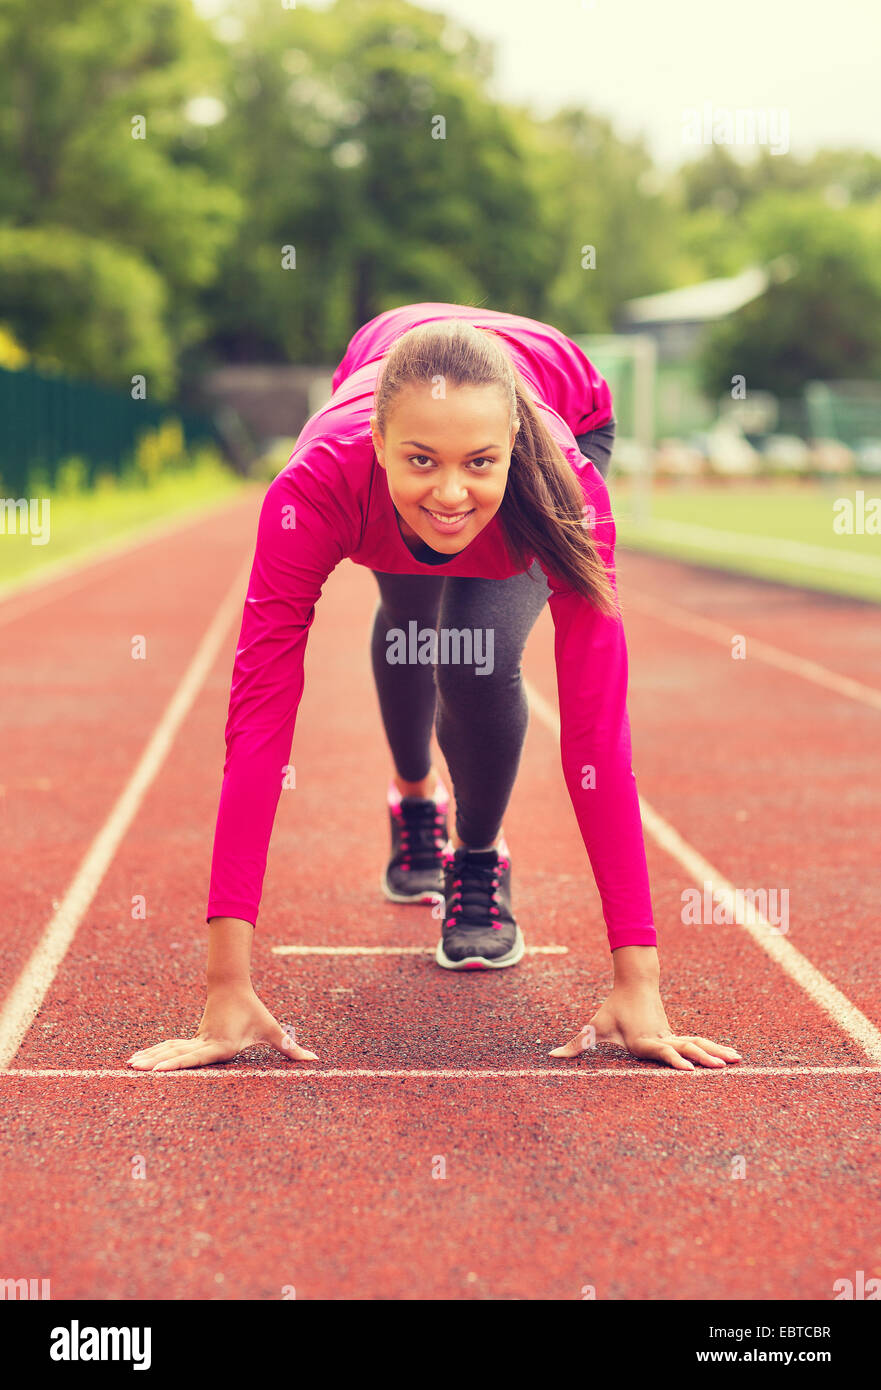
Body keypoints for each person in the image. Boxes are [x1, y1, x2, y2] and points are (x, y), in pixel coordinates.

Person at [128, 302, 741, 1073]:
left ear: (512, 445)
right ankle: (414, 798)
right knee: (412, 611)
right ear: (380, 443)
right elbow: (258, 719)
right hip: (386, 382)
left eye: (476, 464)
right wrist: (225, 986)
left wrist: (638, 980)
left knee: (472, 653)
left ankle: (476, 855)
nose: (450, 495)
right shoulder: (312, 490)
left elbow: (595, 732)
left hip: (567, 409)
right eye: (421, 461)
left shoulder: (563, 490)